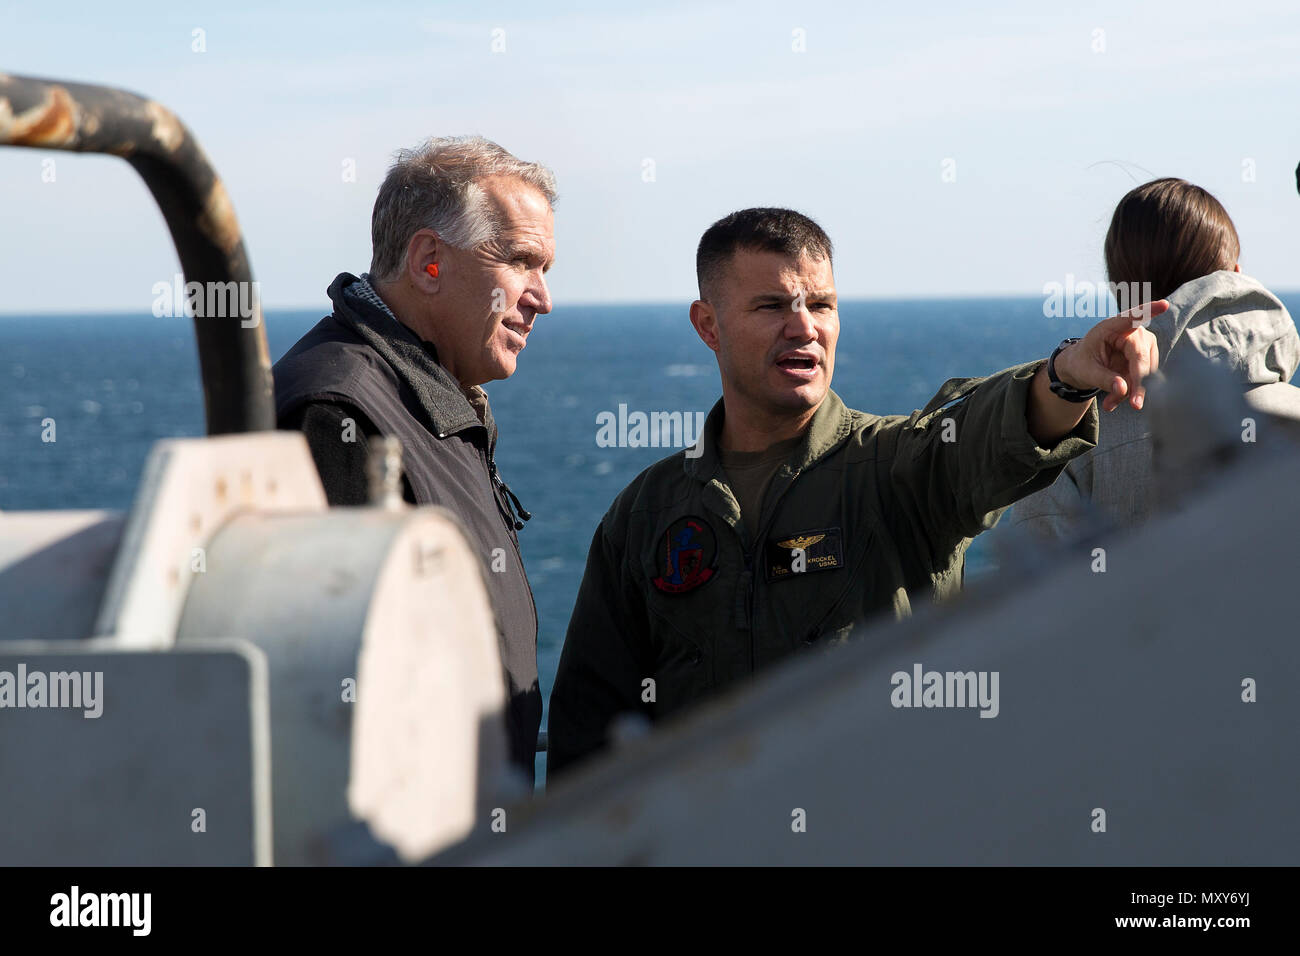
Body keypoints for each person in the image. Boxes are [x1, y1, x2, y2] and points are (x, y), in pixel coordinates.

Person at [547, 207, 1162, 776]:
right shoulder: (645, 514)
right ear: (708, 325)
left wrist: (1065, 377)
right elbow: (589, 730)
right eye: (771, 307)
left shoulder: (895, 467)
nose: (804, 328)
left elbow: (985, 436)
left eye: (821, 304)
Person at [273, 136, 557, 783]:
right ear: (430, 261)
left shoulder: (430, 401)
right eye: (520, 261)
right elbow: (338, 696)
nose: (542, 298)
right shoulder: (340, 414)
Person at [1004, 178, 1300, 543]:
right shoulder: (1291, 415)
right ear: (1235, 279)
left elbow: (1038, 587)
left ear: (1120, 292)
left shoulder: (1069, 444)